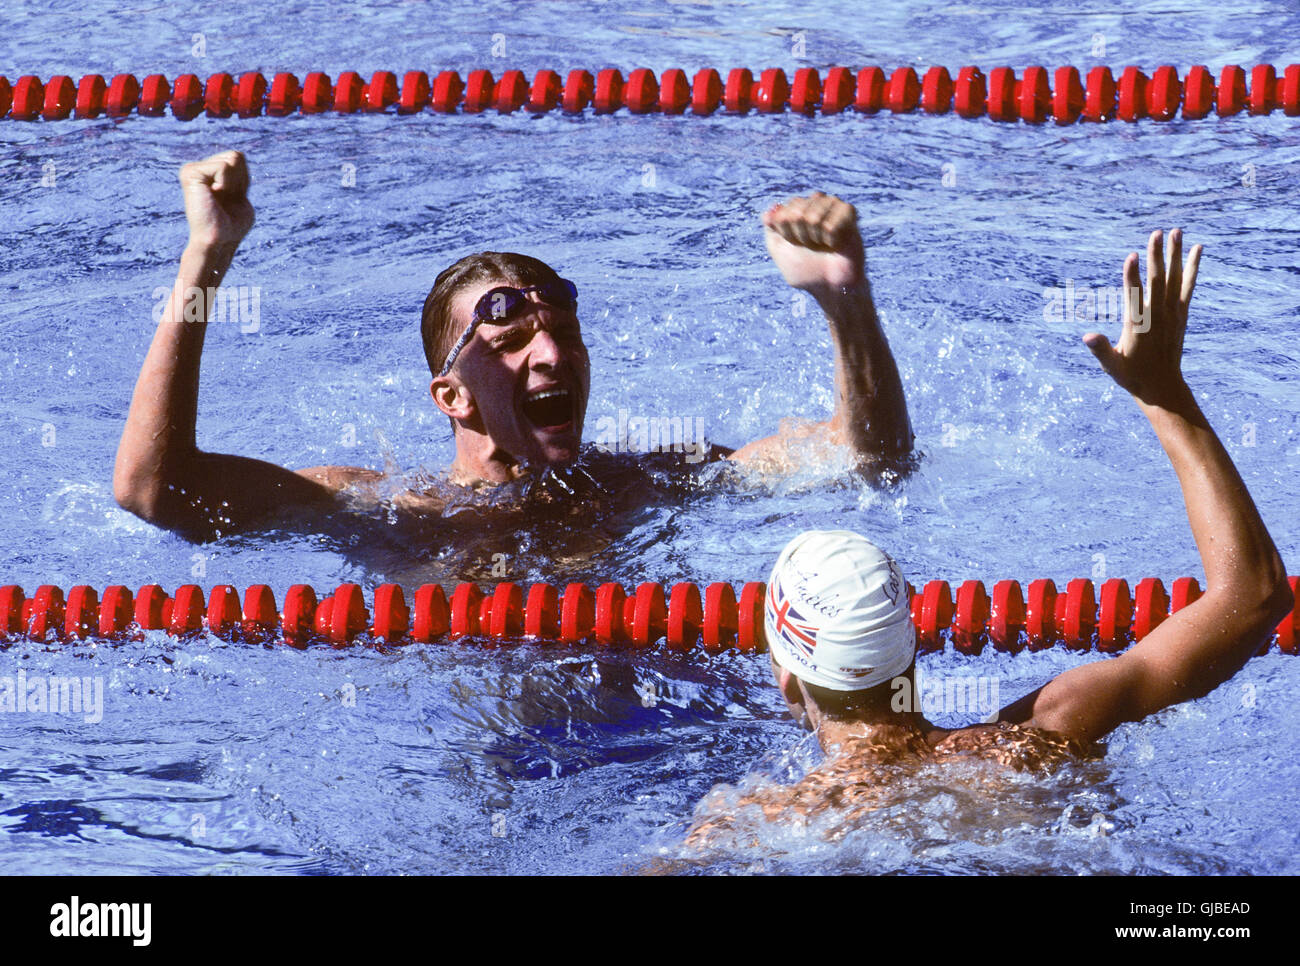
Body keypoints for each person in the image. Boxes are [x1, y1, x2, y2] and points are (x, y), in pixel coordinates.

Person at [685, 228, 1293, 842]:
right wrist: (1164, 396)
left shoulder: (754, 827)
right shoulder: (1049, 732)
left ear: (787, 680)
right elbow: (1254, 595)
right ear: (911, 647)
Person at [113, 151, 913, 543]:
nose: (553, 355)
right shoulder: (391, 512)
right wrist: (205, 259)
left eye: (563, 332)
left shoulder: (641, 481)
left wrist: (844, 303)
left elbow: (868, 462)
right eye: (513, 340)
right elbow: (154, 490)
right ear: (451, 395)